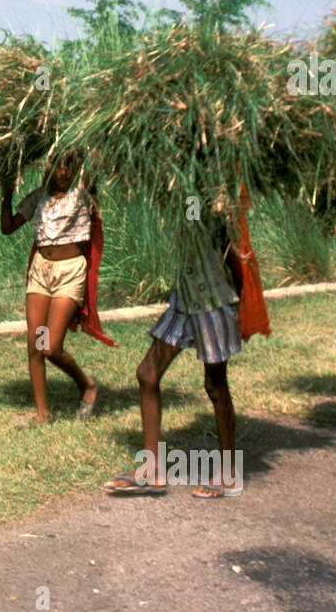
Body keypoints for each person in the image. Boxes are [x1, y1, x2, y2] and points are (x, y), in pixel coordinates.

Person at [104, 206, 248, 498]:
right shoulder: (181, 194)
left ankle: (230, 472)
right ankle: (152, 470)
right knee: (147, 373)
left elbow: (198, 219)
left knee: (215, 385)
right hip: (185, 298)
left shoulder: (208, 198)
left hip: (212, 300)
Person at [1, 154, 106, 428]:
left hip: (70, 272)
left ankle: (87, 384)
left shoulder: (82, 194)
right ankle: (43, 413)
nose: (62, 172)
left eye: (68, 166)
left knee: (51, 347)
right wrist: (6, 195)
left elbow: (94, 159)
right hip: (40, 270)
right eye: (57, 165)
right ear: (47, 167)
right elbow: (8, 227)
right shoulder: (39, 197)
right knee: (35, 342)